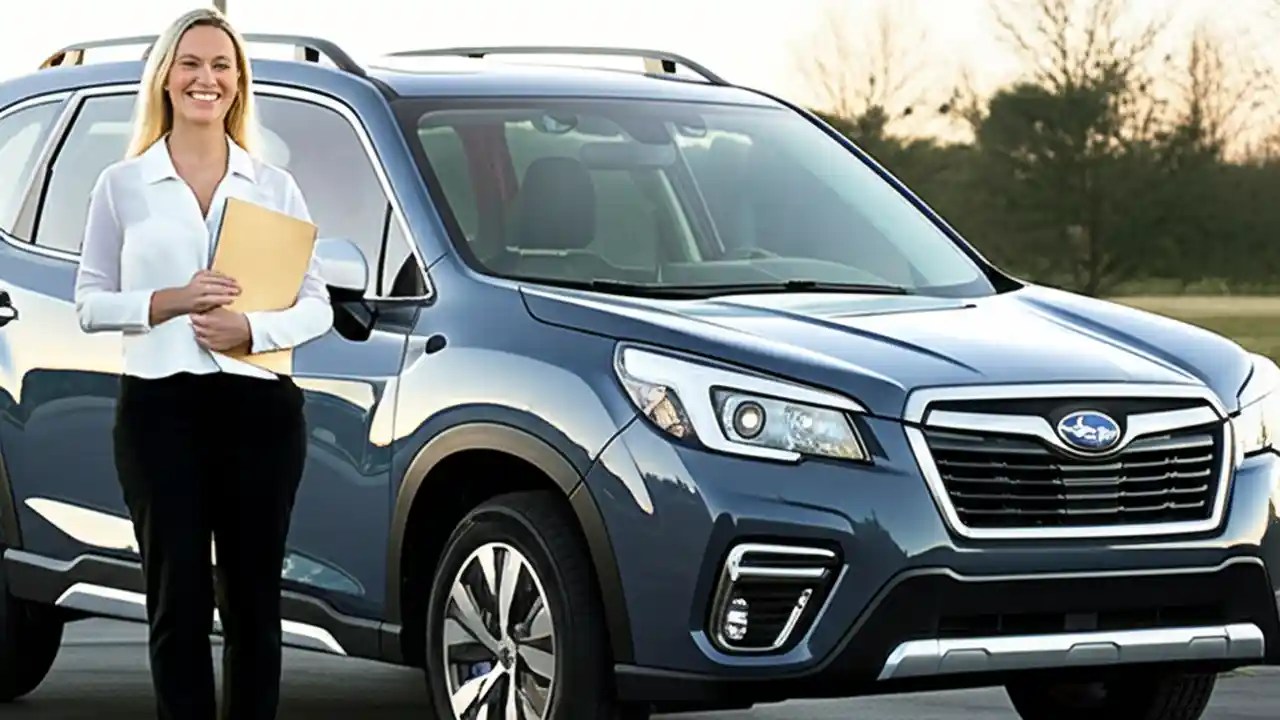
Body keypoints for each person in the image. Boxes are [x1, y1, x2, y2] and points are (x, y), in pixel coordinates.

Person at [73, 8, 332, 720]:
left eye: (222, 66)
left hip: (261, 414)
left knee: (254, 606)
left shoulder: (272, 185)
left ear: (239, 82)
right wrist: (167, 301)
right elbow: (89, 303)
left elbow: (319, 306)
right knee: (177, 604)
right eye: (191, 63)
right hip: (161, 413)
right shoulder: (122, 186)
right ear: (165, 77)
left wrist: (250, 327)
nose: (206, 79)